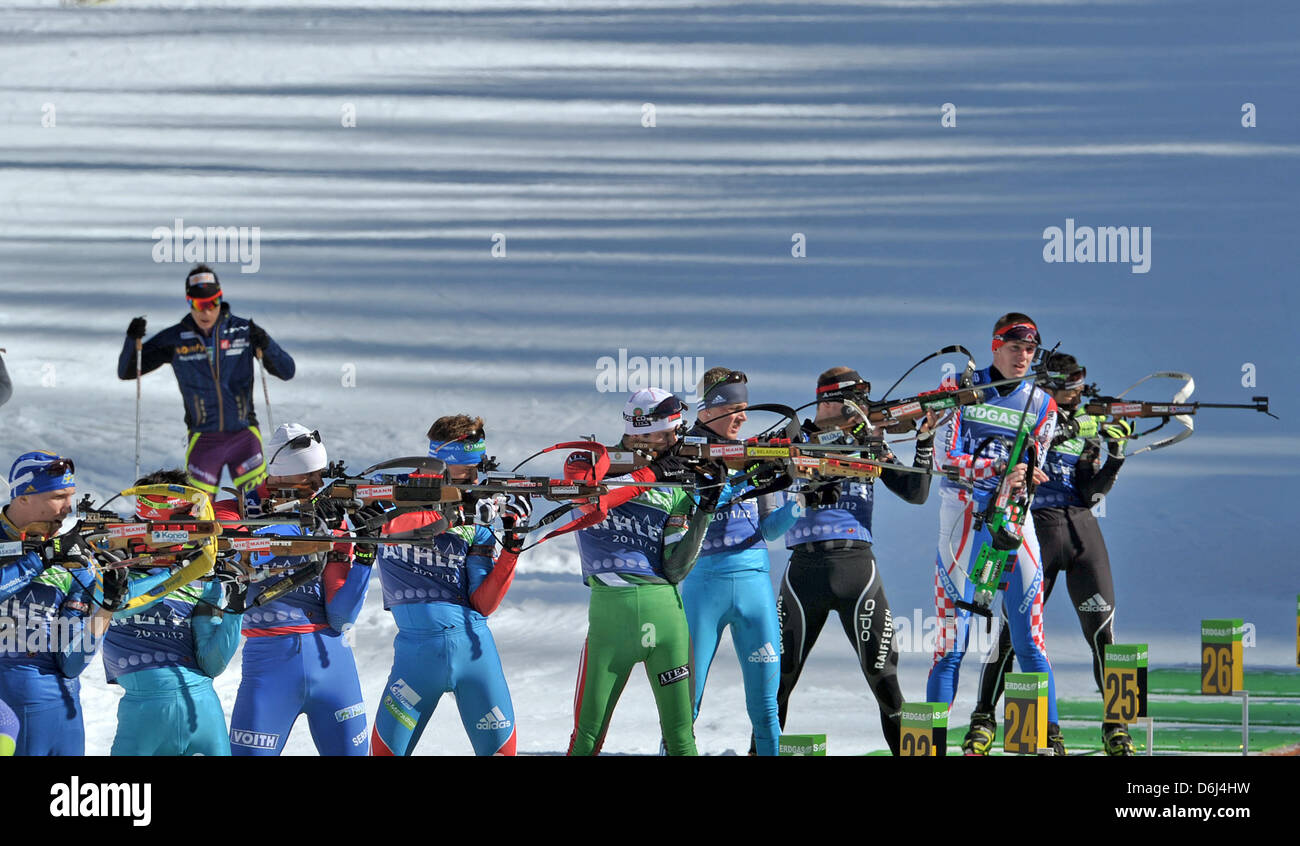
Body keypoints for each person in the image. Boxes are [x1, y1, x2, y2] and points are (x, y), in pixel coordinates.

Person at [964, 352, 1136, 756]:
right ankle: (983, 718)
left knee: (1103, 634)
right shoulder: (1030, 410)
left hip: (1079, 532)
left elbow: (1090, 493)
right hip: (1031, 527)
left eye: (1078, 390)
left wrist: (1116, 455)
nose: (1074, 397)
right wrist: (1070, 425)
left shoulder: (1081, 423)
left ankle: (1117, 725)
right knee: (1012, 633)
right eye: (1067, 390)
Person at [774, 367, 935, 756]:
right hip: (803, 572)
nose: (862, 411)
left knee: (884, 679)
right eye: (854, 403)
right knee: (778, 679)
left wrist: (925, 442)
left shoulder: (867, 440)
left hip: (857, 569)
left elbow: (916, 492)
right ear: (828, 401)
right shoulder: (793, 436)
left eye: (864, 403)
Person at [929, 313, 1062, 755]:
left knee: (1029, 639)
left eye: (1030, 350)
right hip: (963, 518)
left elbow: (1033, 460)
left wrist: (1027, 476)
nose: (1023, 357)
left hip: (1013, 519)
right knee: (952, 642)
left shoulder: (1044, 403)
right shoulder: (962, 391)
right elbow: (943, 460)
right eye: (1014, 348)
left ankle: (1049, 738)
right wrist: (997, 469)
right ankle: (932, 744)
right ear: (994, 346)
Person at [565, 388, 722, 756]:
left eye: (677, 432)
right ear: (639, 431)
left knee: (682, 740)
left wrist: (706, 508)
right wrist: (652, 473)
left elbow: (676, 568)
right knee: (587, 739)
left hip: (662, 612)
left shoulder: (674, 480)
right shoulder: (587, 459)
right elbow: (590, 495)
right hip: (611, 616)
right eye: (667, 434)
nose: (674, 441)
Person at [371, 415, 531, 756]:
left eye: (478, 469)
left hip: (475, 651)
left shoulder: (478, 514)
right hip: (416, 657)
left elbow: (484, 603)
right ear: (440, 463)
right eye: (467, 470)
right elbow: (389, 525)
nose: (475, 479)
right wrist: (456, 514)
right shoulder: (392, 495)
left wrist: (513, 547)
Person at [225, 423, 373, 756]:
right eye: (310, 479)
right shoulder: (235, 508)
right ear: (279, 477)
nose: (319, 486)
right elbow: (235, 553)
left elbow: (340, 618)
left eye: (322, 476)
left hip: (331, 659)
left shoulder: (328, 516)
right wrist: (303, 530)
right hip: (268, 663)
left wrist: (362, 556)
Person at [678, 368, 798, 756]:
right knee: (685, 706)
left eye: (745, 409)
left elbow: (771, 529)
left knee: (765, 708)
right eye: (735, 409)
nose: (744, 417)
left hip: (754, 584)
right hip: (703, 583)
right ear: (711, 409)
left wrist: (800, 502)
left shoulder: (750, 454)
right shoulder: (683, 453)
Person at [117, 264, 295, 498]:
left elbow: (287, 370)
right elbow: (128, 370)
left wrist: (266, 344)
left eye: (212, 303)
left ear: (220, 299)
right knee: (196, 509)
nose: (206, 312)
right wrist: (133, 339)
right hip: (203, 440)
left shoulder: (243, 331)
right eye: (199, 304)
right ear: (189, 302)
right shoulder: (176, 338)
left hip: (244, 437)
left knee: (260, 502)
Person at [103, 470, 243, 756]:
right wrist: (178, 570)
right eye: (189, 519)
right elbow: (118, 608)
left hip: (201, 705)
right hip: (145, 710)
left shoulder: (204, 575)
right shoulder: (117, 560)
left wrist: (236, 607)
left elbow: (212, 663)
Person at [0, 451, 104, 755]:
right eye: (58, 496)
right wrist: (40, 560)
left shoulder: (73, 554)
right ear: (23, 497)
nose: (68, 507)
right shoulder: (51, 551)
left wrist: (105, 607)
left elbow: (71, 663)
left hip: (63, 711)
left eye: (70, 495)